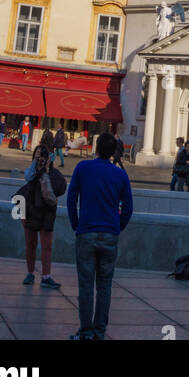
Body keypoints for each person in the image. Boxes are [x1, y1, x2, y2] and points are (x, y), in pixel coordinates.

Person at [67, 132, 133, 341]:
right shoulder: (120, 175)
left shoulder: (83, 168)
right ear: (114, 151)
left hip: (86, 231)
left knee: (85, 284)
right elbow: (129, 207)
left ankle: (85, 331)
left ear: (96, 148)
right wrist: (118, 226)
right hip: (109, 234)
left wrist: (76, 223)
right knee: (105, 285)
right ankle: (99, 331)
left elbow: (71, 198)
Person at [19, 143, 66, 289]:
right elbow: (28, 177)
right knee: (30, 245)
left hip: (46, 213)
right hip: (30, 211)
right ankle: (30, 273)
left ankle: (46, 276)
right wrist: (35, 163)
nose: (40, 158)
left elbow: (59, 189)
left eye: (43, 155)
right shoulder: (31, 171)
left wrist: (47, 169)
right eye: (37, 154)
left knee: (46, 246)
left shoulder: (54, 174)